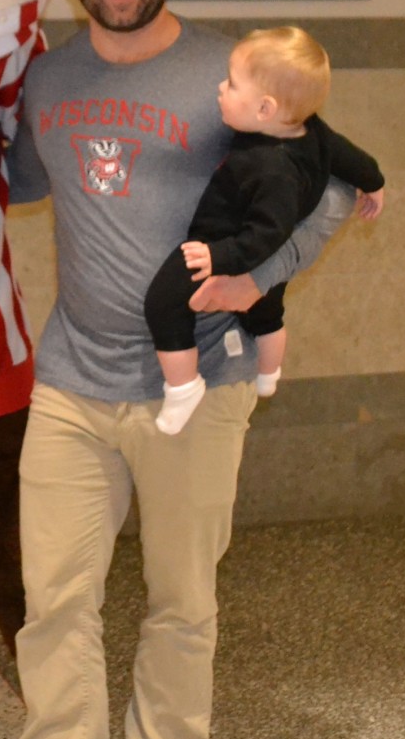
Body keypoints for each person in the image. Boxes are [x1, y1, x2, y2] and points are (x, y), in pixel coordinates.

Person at [0, 0, 356, 739]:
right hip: (72, 379)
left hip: (200, 384)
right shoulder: (47, 80)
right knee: (53, 597)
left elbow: (332, 189)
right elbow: (15, 180)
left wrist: (258, 277)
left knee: (183, 597)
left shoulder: (235, 72)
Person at [147, 26, 385, 434]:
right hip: (254, 258)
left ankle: (183, 385)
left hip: (226, 245)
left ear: (264, 110)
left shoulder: (272, 169)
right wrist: (375, 180)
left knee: (163, 302)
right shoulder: (310, 130)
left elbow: (267, 235)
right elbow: (347, 155)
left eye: (233, 84)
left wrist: (219, 257)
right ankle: (269, 374)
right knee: (268, 314)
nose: (221, 89)